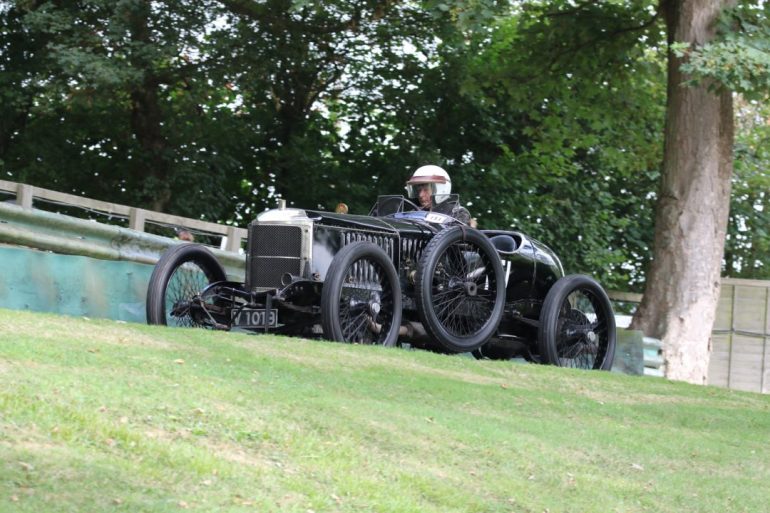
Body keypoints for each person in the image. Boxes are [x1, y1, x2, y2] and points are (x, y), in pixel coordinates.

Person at [405, 165, 472, 224]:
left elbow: (454, 233)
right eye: (419, 190)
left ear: (441, 189)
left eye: (426, 190)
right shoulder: (415, 214)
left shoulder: (457, 213)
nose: (420, 195)